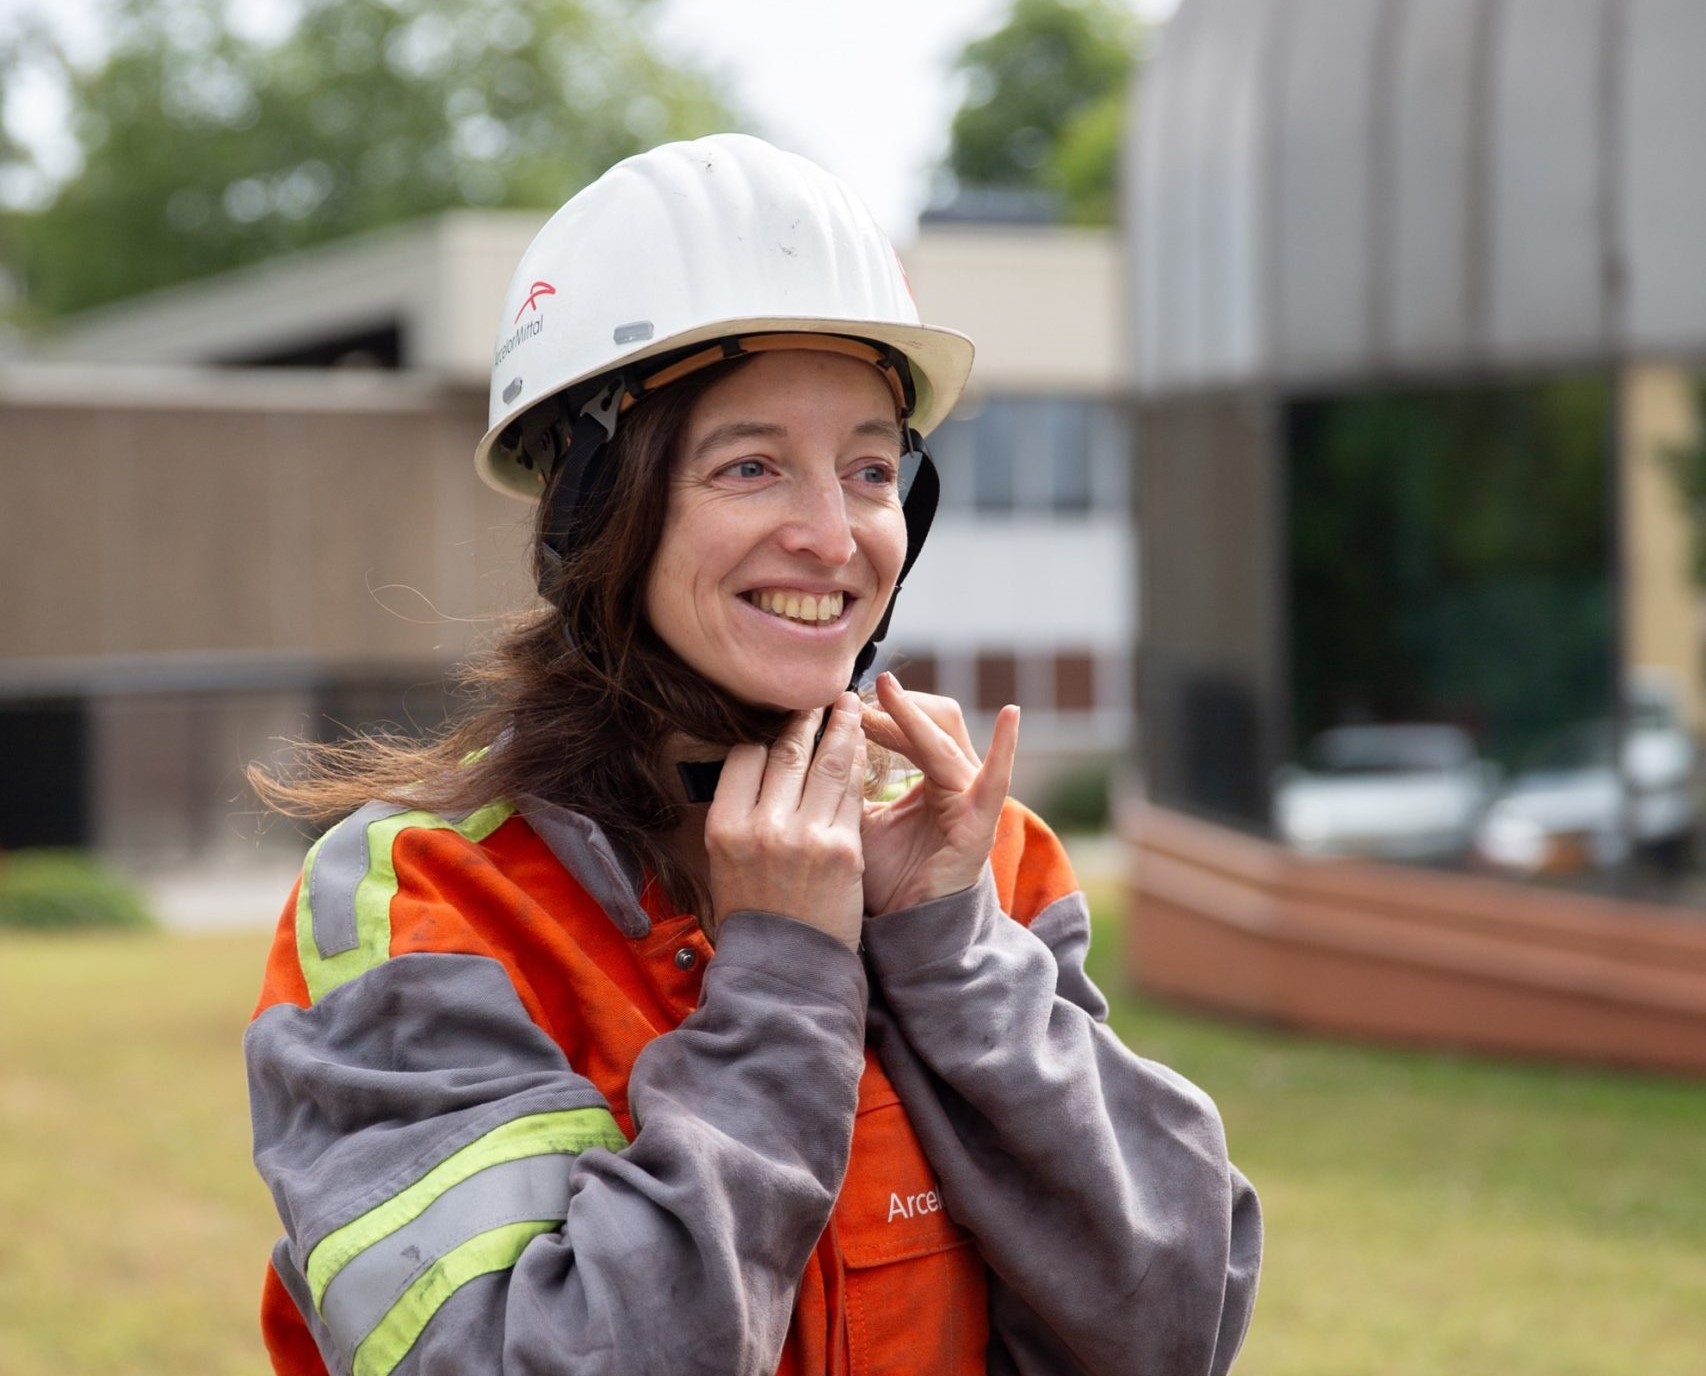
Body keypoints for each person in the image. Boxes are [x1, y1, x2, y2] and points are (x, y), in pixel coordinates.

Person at [244, 132, 1261, 1376]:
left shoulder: (981, 864)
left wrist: (948, 953)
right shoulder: (433, 908)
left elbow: (1171, 1325)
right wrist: (783, 980)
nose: (833, 536)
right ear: (593, 508)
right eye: (751, 464)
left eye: (870, 468)